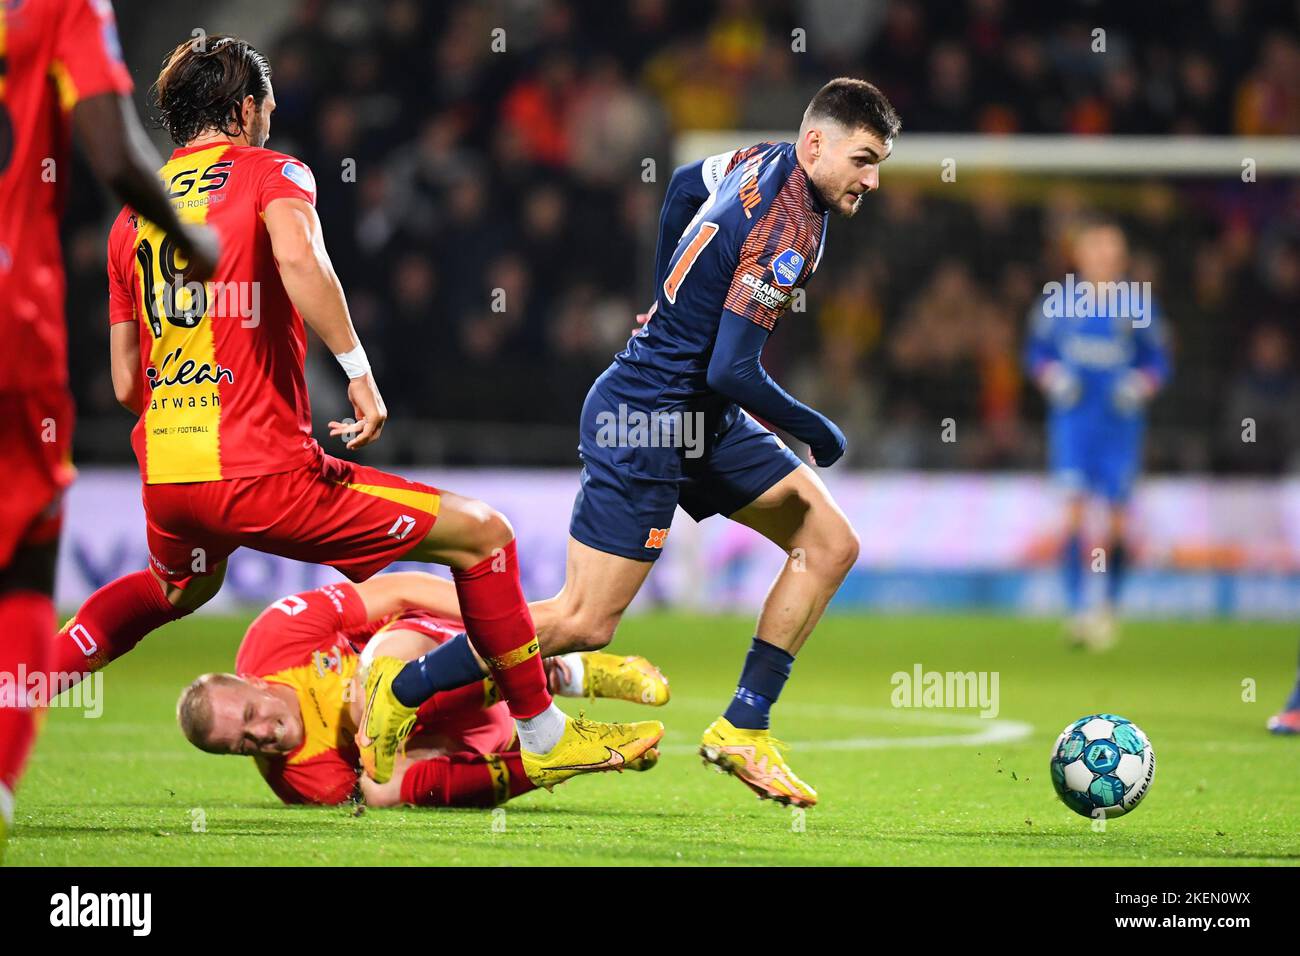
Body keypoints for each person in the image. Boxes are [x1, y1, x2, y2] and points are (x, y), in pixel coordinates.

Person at [46, 34, 661, 797]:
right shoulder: (273, 172)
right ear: (243, 110)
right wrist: (358, 372)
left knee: (173, 591)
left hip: (170, 475)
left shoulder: (127, 222)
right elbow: (301, 259)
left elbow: (124, 382)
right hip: (261, 468)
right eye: (265, 108)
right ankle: (543, 729)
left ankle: (24, 687)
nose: (268, 121)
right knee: (482, 537)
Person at [457, 78, 900, 809]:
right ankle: (408, 677)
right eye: (863, 159)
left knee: (829, 544)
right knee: (582, 621)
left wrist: (665, 294)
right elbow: (733, 365)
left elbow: (681, 189)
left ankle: (743, 727)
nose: (872, 179)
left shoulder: (761, 158)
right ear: (817, 143)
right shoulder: (790, 225)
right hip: (650, 417)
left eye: (878, 161)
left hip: (703, 416)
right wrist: (816, 427)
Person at [0, 0, 219, 861]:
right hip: (14, 324)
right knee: (24, 561)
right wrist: (185, 238)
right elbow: (113, 146)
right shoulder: (61, 7)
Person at [177, 572, 668, 806]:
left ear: (250, 682)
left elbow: (402, 590)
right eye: (242, 746)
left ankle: (569, 670)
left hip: (439, 651)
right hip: (470, 733)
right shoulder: (302, 781)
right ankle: (575, 756)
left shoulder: (274, 639)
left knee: (374, 678)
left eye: (248, 717)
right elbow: (408, 773)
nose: (260, 735)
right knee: (377, 788)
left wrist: (508, 624)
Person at [1024, 218, 1171, 650]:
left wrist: (1141, 384)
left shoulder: (1138, 304)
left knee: (1119, 525)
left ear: (1121, 256)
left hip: (1120, 428)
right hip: (1073, 426)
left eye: (1112, 249)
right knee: (1072, 516)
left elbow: (1159, 361)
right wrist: (1051, 378)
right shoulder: (1057, 302)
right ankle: (1076, 610)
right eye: (1096, 248)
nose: (1104, 257)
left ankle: (1107, 607)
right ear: (1081, 254)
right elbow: (1035, 352)